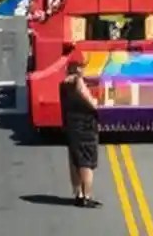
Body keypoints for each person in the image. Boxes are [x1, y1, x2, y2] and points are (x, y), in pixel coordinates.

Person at [60, 49, 101, 208]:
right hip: (84, 125)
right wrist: (98, 103)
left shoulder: (64, 83)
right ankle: (87, 196)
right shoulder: (78, 82)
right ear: (77, 68)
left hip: (71, 124)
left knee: (74, 160)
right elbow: (92, 103)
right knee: (86, 162)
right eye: (82, 66)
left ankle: (77, 193)